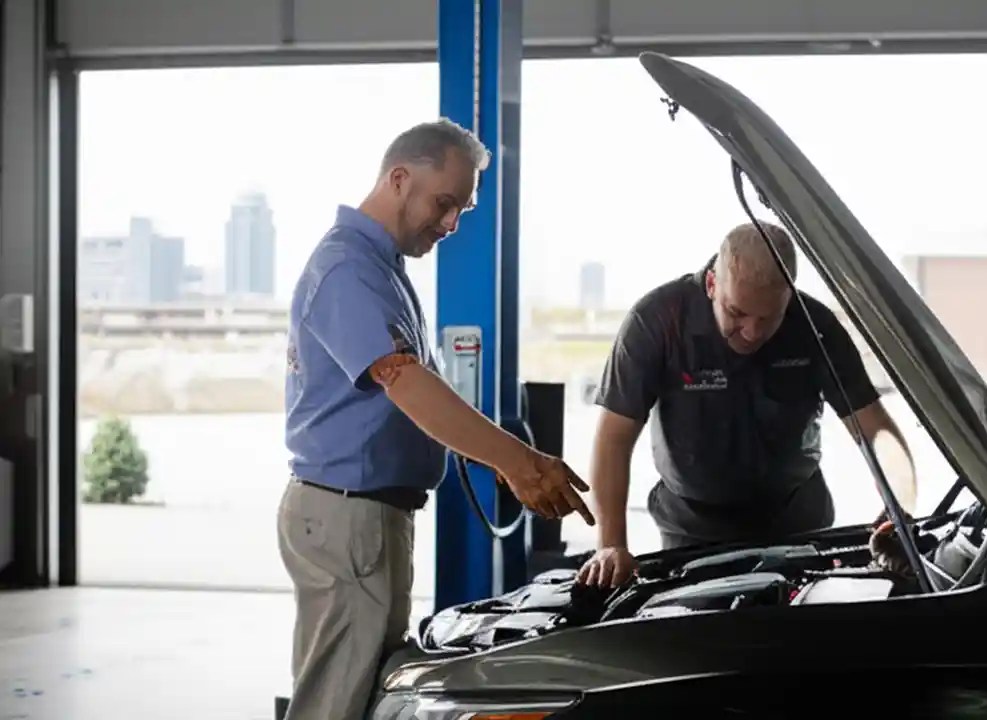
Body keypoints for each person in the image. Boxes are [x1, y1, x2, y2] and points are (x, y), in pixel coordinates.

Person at [276, 119, 594, 720]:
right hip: (347, 514)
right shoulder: (348, 268)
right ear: (399, 179)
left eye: (462, 210)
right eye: (444, 203)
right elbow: (405, 380)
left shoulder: (381, 267)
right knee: (334, 701)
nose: (451, 224)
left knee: (362, 687)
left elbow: (413, 385)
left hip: (369, 514)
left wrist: (503, 459)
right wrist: (517, 461)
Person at [576, 221, 914, 588]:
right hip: (691, 528)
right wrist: (611, 545)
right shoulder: (657, 322)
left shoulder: (816, 327)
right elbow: (614, 438)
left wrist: (899, 507)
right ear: (711, 285)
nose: (752, 333)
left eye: (767, 318)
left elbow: (874, 428)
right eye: (736, 313)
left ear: (789, 295)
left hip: (797, 521)